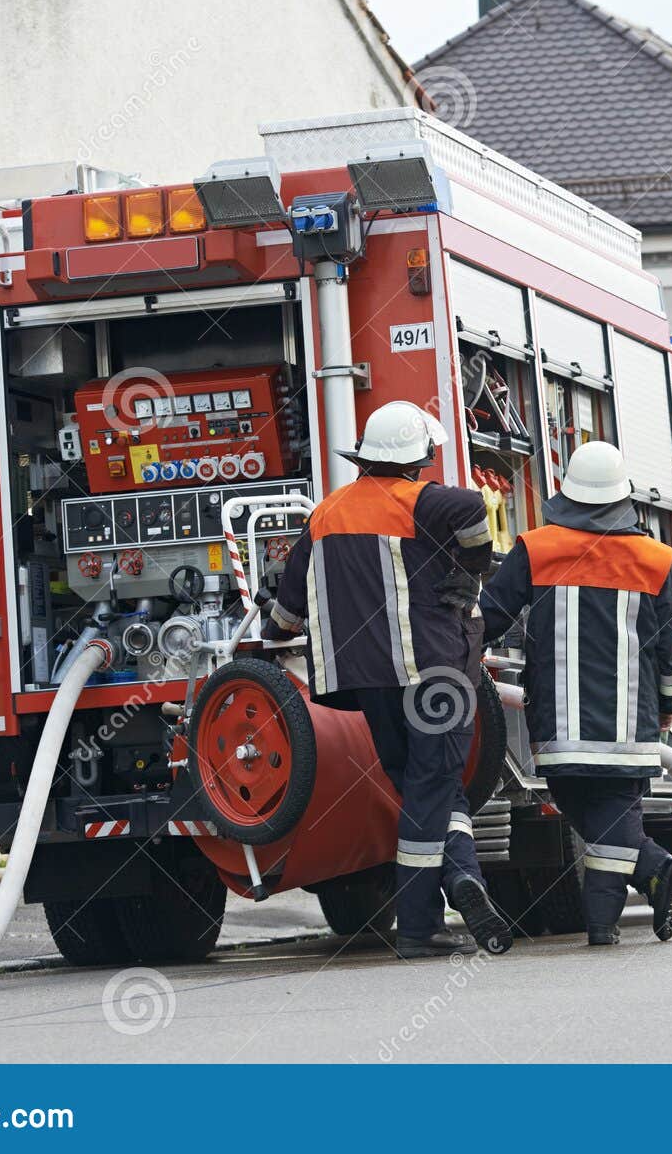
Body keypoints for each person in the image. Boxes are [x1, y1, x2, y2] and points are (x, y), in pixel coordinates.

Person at [265, 401, 512, 959]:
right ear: (420, 459)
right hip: (436, 678)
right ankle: (422, 924)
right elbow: (473, 507)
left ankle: (462, 878)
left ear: (366, 457)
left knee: (425, 787)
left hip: (368, 683)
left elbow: (286, 611)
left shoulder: (326, 513)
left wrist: (271, 629)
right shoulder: (421, 501)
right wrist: (470, 568)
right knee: (432, 785)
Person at [479, 441, 672, 946]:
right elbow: (668, 653)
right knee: (616, 816)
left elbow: (489, 617)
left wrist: (448, 651)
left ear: (568, 492)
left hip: (559, 730)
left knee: (592, 815)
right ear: (624, 499)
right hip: (630, 730)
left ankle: (643, 886)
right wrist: (666, 709)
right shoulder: (657, 560)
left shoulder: (536, 549)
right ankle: (624, 905)